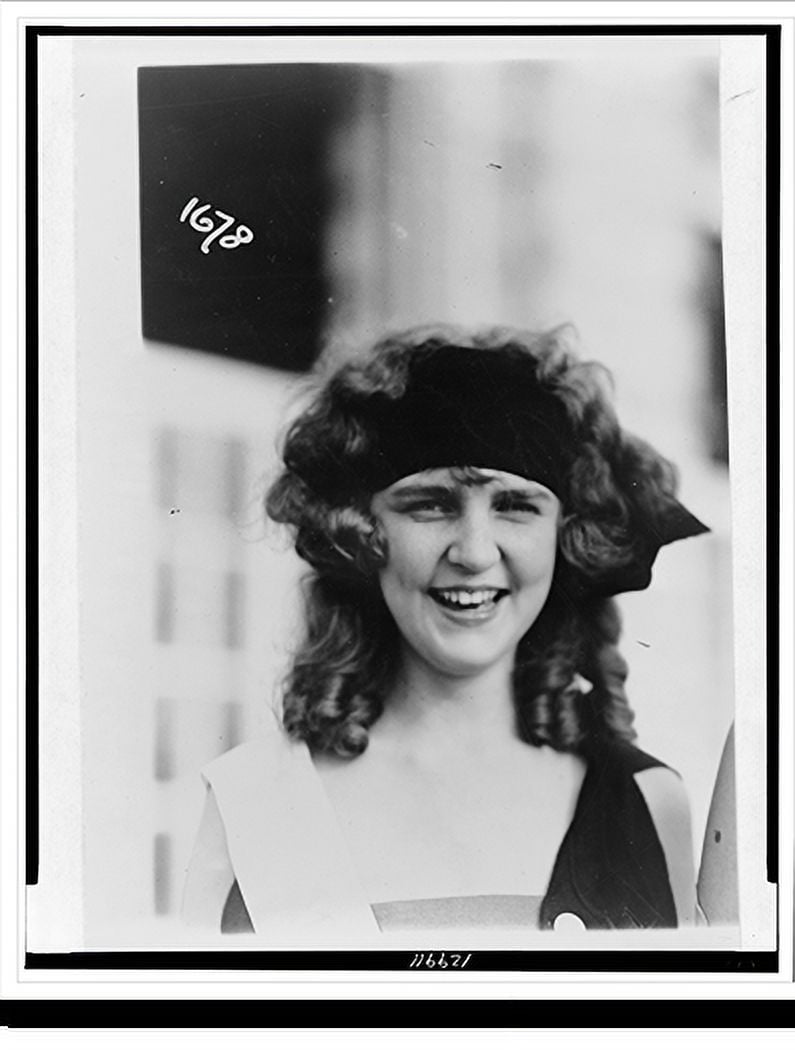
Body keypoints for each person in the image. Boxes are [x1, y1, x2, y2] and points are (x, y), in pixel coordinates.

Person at [182, 324, 709, 938]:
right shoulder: (253, 803)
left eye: (516, 506)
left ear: (565, 535)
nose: (475, 552)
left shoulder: (649, 804)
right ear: (361, 532)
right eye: (430, 504)